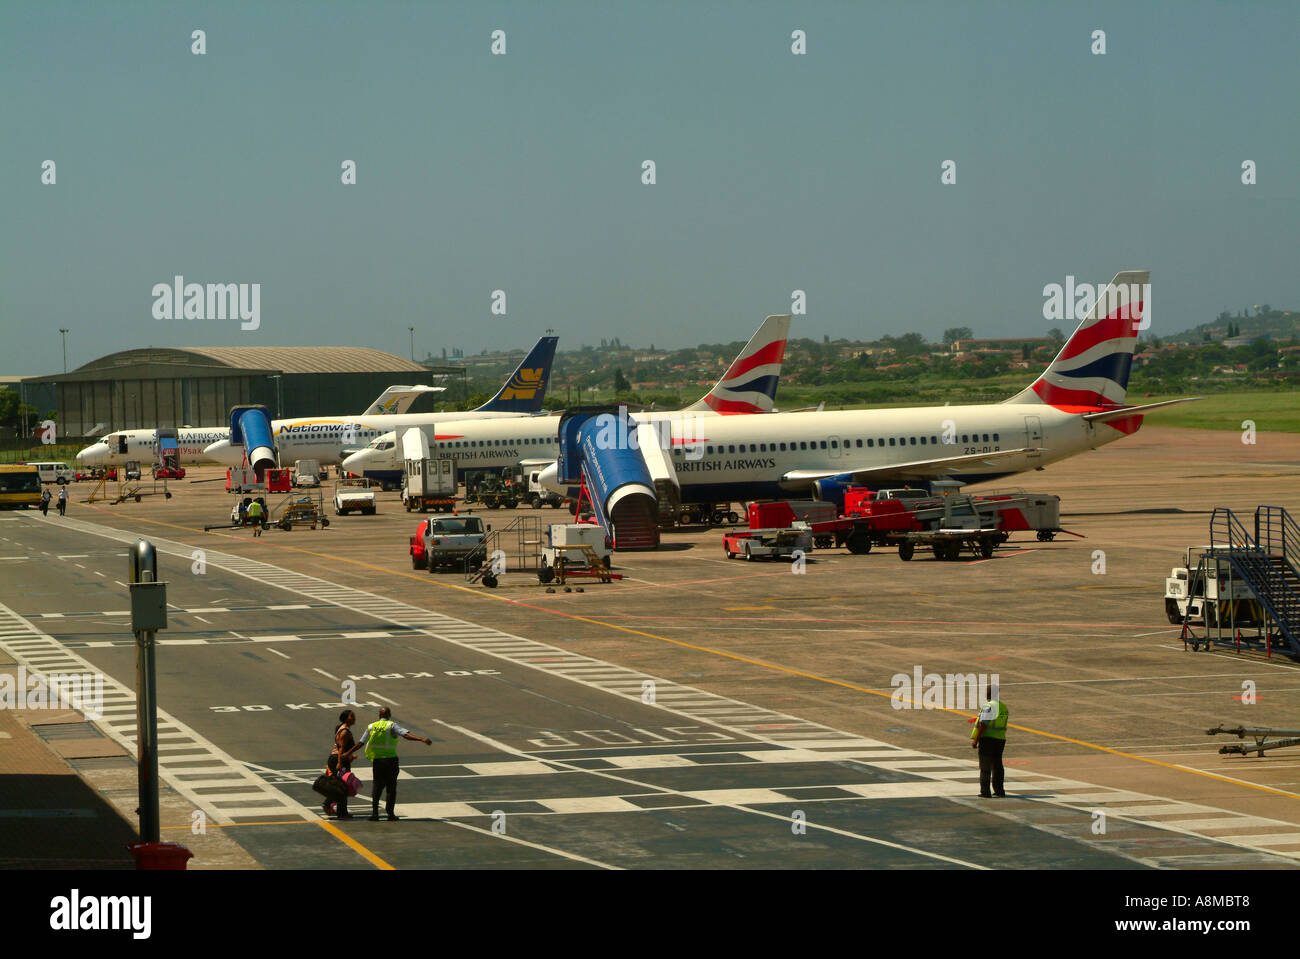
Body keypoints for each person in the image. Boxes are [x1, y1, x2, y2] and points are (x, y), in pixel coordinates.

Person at [356, 706, 431, 821]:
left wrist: (347, 752)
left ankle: (375, 813)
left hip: (377, 761)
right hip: (390, 761)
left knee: (377, 787)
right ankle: (390, 813)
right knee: (391, 787)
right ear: (389, 715)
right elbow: (405, 735)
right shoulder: (391, 725)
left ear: (379, 716)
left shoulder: (371, 726)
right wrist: (421, 739)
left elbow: (361, 743)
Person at [970, 683, 1008, 798]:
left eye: (987, 691)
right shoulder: (1003, 706)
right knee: (997, 765)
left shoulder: (989, 706)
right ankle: (999, 790)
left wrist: (976, 740)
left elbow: (983, 724)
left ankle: (985, 791)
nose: (986, 693)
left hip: (987, 739)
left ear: (990, 693)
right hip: (1000, 739)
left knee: (985, 766)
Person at [324, 709, 358, 819]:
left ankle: (340, 810)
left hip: (341, 759)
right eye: (351, 716)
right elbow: (341, 748)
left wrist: (350, 757)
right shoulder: (344, 731)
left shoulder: (342, 728)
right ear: (345, 718)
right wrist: (339, 763)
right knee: (342, 786)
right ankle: (332, 806)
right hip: (338, 760)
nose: (354, 718)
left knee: (341, 785)